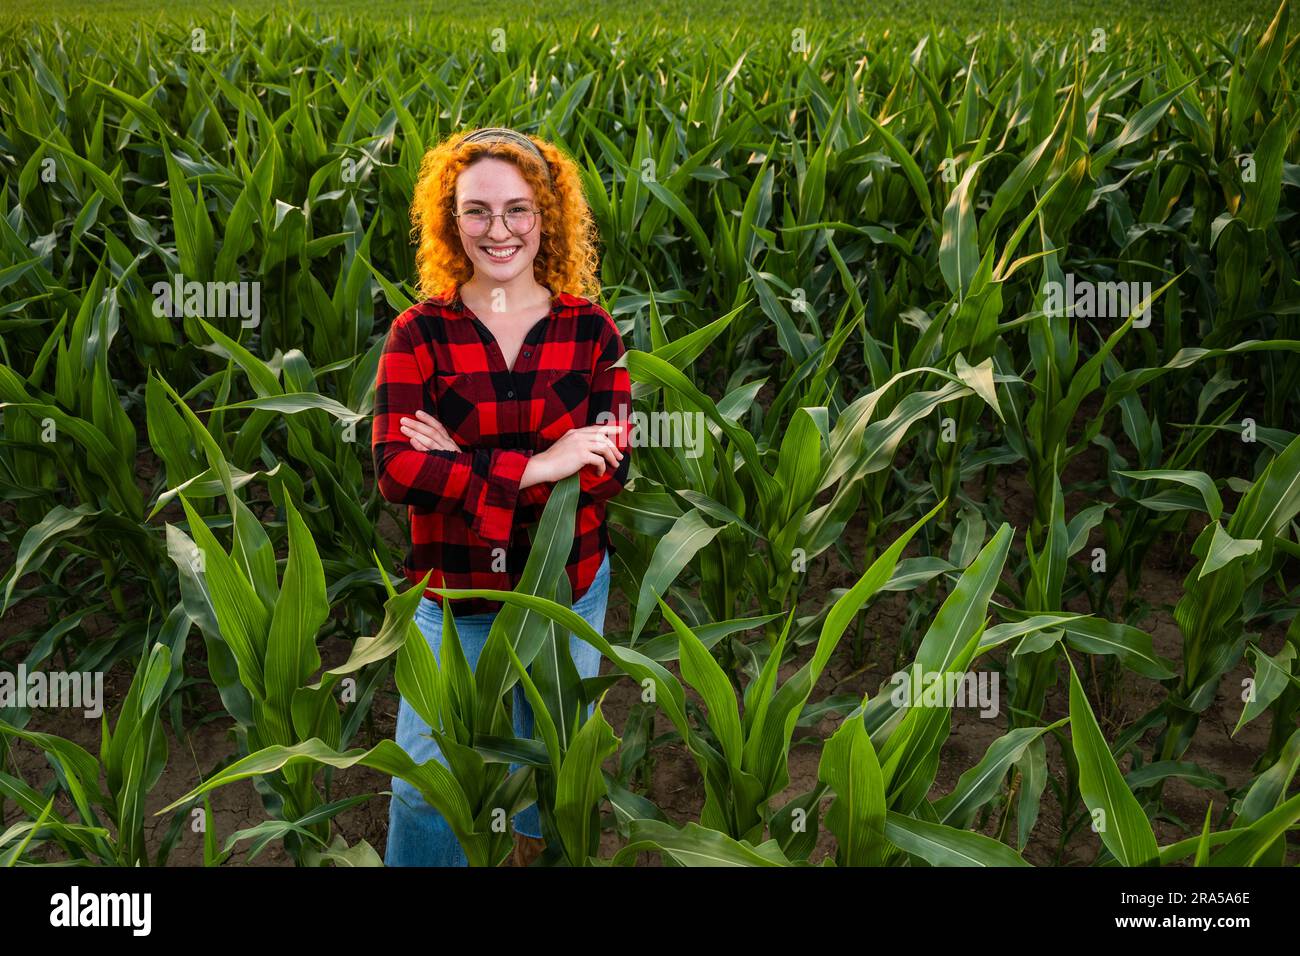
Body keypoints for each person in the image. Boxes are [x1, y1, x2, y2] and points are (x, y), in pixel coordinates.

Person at [371, 127, 631, 866]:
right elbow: (396, 470)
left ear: (546, 217)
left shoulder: (592, 333)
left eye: (518, 209)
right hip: (456, 600)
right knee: (425, 783)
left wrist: (467, 464)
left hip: (563, 595)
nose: (499, 230)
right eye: (476, 211)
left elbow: (606, 470)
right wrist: (538, 466)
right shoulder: (417, 335)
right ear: (451, 222)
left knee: (551, 780)